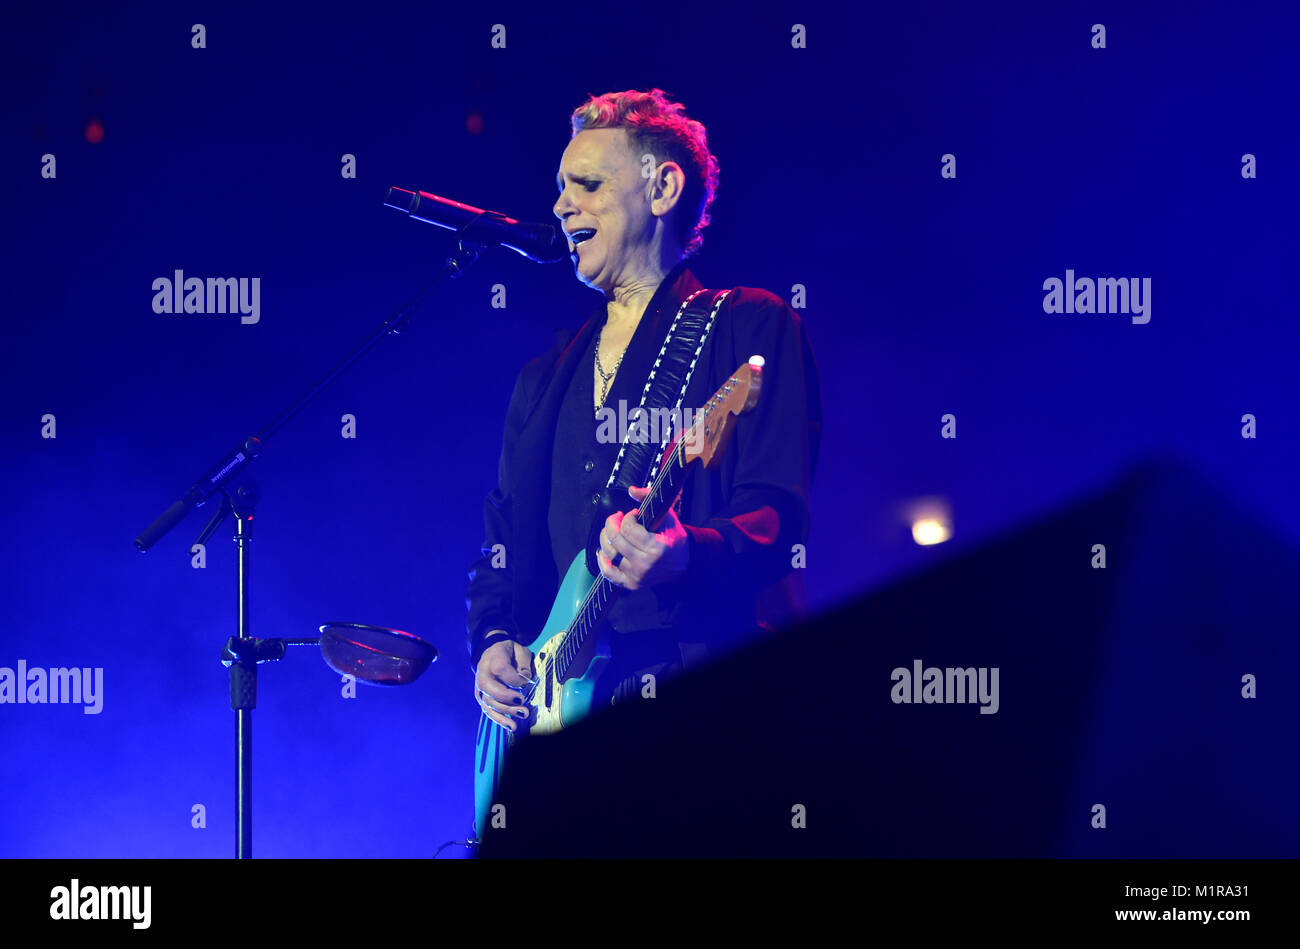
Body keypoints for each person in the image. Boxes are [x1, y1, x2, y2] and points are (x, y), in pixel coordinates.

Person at [467, 88, 821, 731]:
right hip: (564, 710)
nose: (560, 204)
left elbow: (778, 513)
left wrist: (693, 555)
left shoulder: (745, 326)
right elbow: (502, 538)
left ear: (662, 190)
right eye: (559, 186)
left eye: (589, 183)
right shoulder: (543, 378)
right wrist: (493, 637)